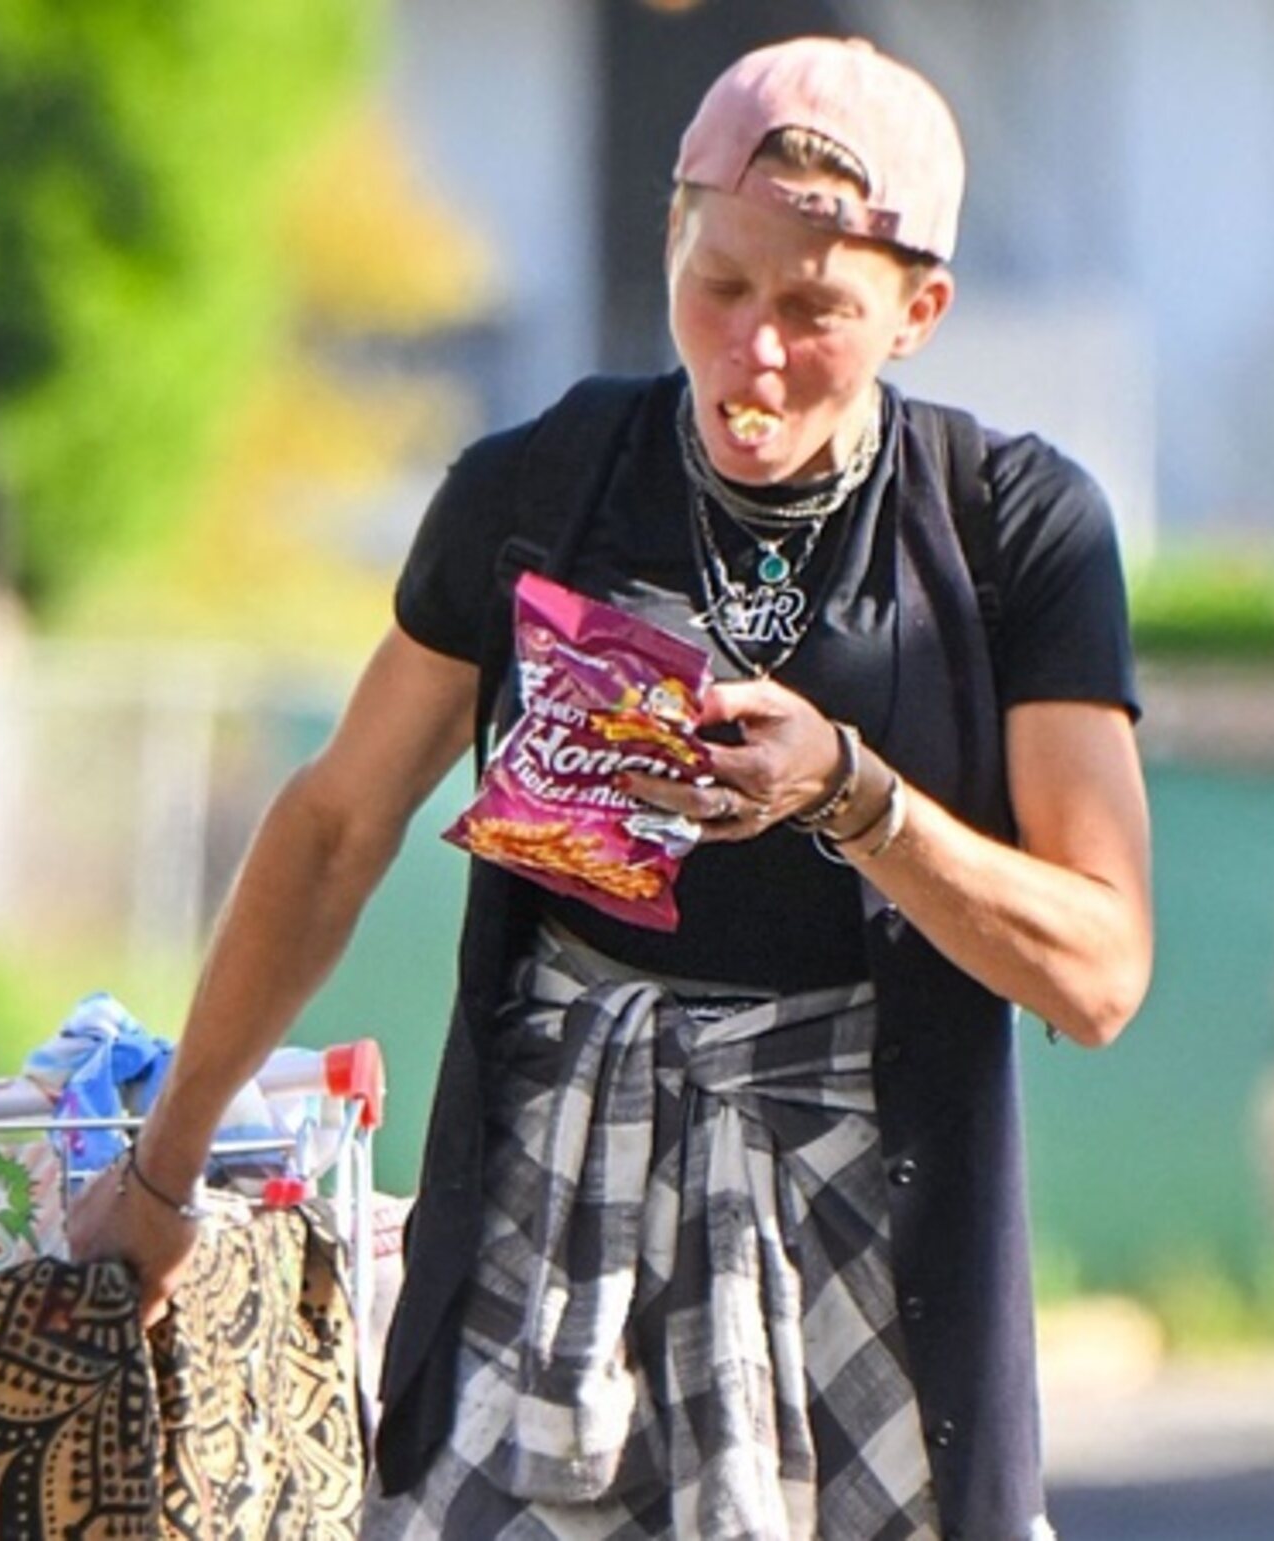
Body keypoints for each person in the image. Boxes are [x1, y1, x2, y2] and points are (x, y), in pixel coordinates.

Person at [67, 34, 1150, 1541]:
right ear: (669, 243)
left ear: (919, 314)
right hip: (553, 1200)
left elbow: (1100, 971)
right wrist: (164, 1171)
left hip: (874, 1241)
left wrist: (856, 797)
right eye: (721, 285)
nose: (754, 354)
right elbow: (333, 828)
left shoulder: (1013, 531)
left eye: (816, 312)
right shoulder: (539, 488)